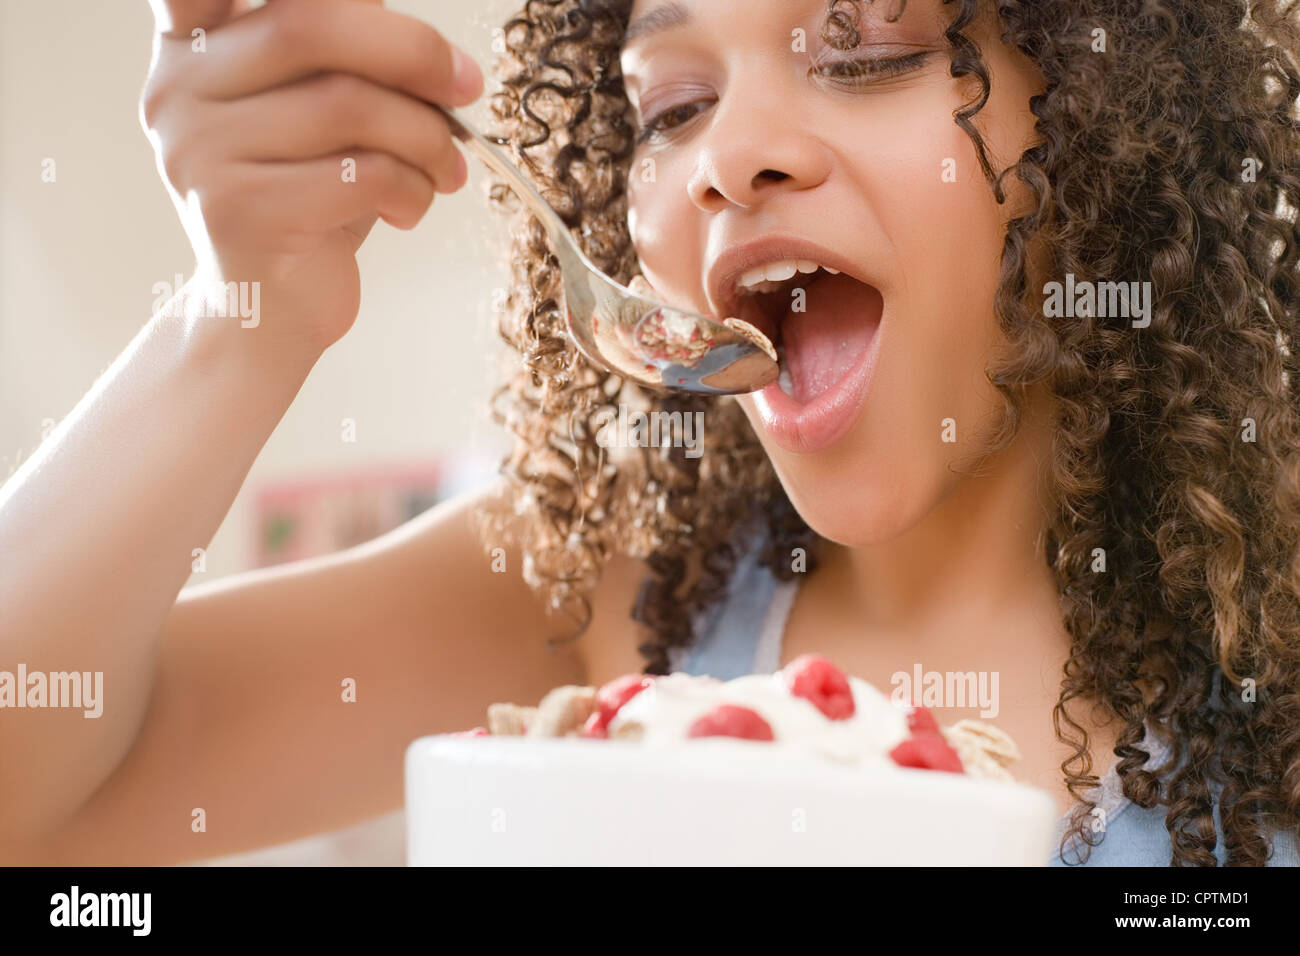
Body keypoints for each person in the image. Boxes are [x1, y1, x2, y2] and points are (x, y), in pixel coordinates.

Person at [2, 0, 1298, 866]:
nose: (729, 157)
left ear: (1119, 121)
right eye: (672, 108)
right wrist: (245, 315)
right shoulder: (600, 594)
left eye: (862, 50)